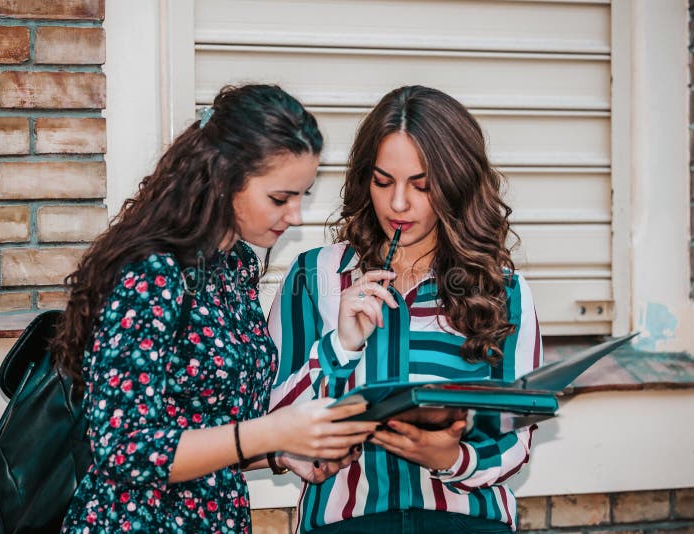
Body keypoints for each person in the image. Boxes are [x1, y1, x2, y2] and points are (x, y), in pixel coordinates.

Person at [51, 84, 378, 534]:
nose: (297, 215)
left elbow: (211, 429)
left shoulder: (233, 267)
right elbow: (125, 449)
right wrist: (272, 433)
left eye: (303, 194)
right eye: (280, 198)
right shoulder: (152, 274)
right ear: (224, 179)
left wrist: (282, 454)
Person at [268, 85, 543, 533]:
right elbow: (269, 422)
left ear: (455, 184)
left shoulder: (503, 289)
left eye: (422, 185)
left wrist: (453, 458)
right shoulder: (311, 277)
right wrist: (337, 346)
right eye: (383, 182)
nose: (398, 203)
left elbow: (516, 437)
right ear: (364, 179)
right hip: (347, 523)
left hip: (465, 523)